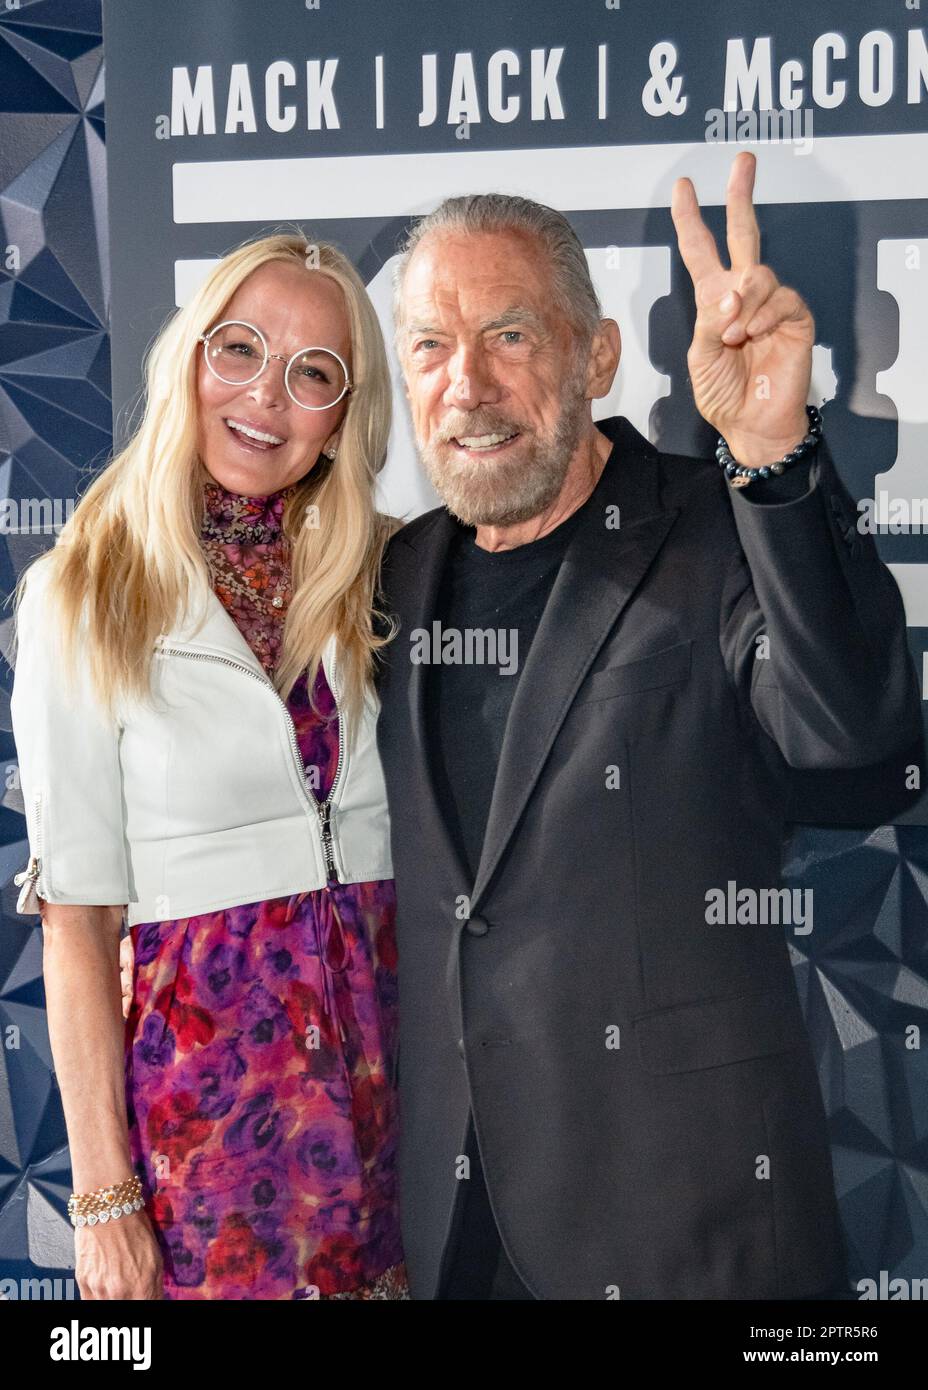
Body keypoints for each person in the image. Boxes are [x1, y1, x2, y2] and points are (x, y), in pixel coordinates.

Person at [373, 151, 925, 1299]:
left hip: (689, 1230)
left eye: (510, 335)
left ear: (598, 355)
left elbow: (858, 748)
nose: (464, 382)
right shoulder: (387, 581)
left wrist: (770, 457)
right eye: (429, 345)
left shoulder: (718, 536)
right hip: (453, 1238)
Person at [9, 233, 407, 1300]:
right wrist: (103, 1201)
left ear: (341, 419)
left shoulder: (394, 575)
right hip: (212, 1131)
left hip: (399, 1104)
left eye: (312, 372)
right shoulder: (81, 591)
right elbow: (80, 920)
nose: (265, 396)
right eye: (238, 347)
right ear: (188, 358)